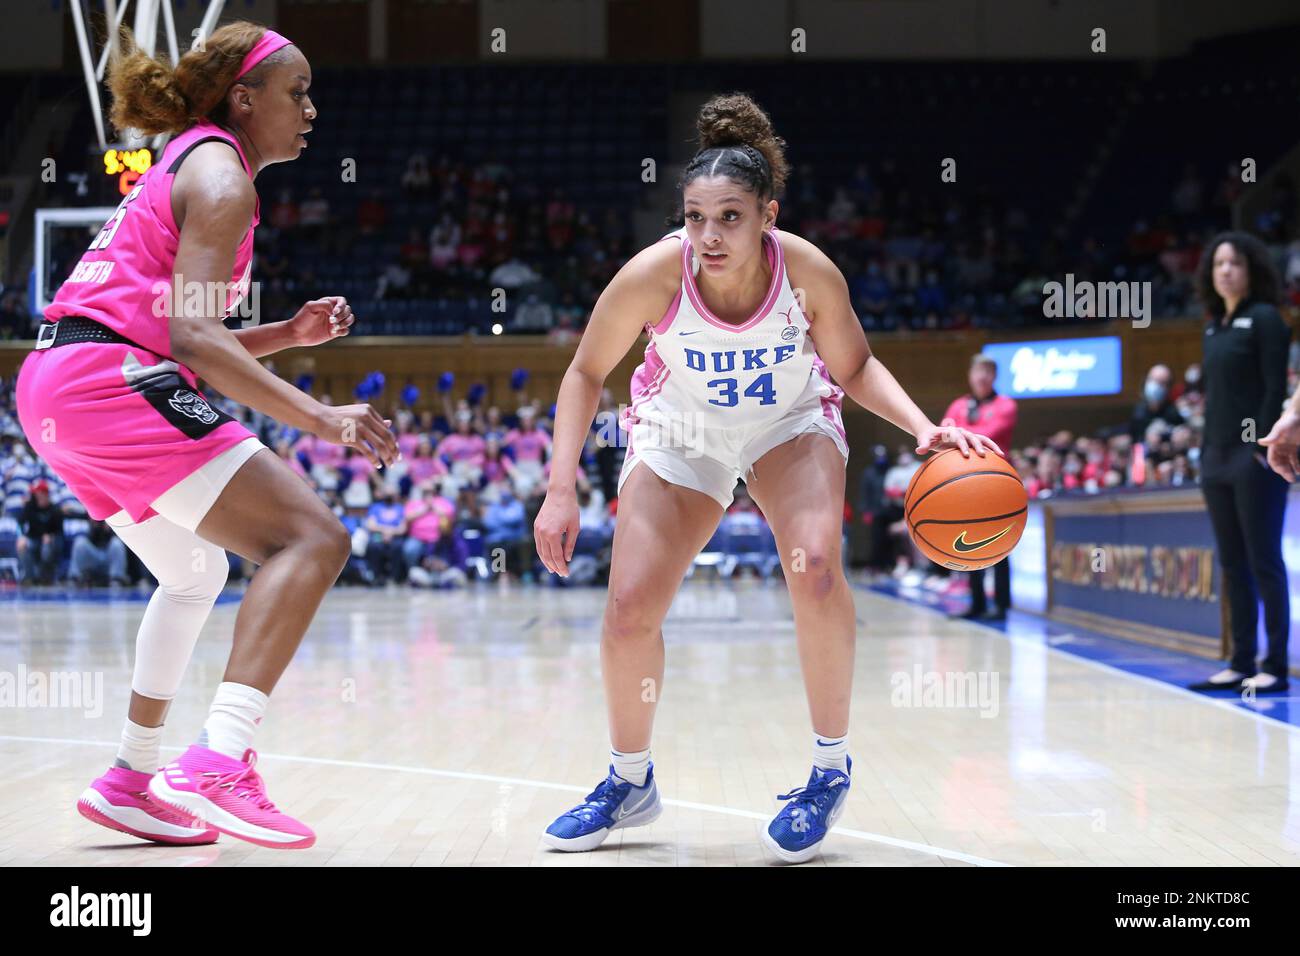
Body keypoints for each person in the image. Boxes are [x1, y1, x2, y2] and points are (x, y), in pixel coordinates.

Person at [532, 94, 996, 863]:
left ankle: (827, 769)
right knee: (627, 608)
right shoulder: (654, 274)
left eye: (730, 217)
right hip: (681, 430)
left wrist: (924, 428)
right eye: (695, 217)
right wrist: (559, 487)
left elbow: (854, 367)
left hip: (790, 422)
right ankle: (628, 779)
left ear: (767, 215)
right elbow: (584, 372)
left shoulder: (807, 272)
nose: (709, 236)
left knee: (814, 570)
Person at [15, 22, 398, 849]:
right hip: (106, 383)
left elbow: (173, 333)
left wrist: (284, 333)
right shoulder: (222, 177)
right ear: (244, 97)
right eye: (296, 93)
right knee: (312, 537)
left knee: (193, 572)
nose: (311, 109)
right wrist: (321, 415)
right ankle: (219, 759)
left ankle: (129, 776)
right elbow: (189, 341)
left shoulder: (189, 159)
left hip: (57, 386)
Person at [1186, 232, 1291, 694]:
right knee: (1232, 563)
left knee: (1263, 559)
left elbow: (1273, 388)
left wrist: (1262, 447)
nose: (1226, 270)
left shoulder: (1266, 319)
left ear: (1251, 270)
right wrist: (1207, 451)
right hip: (1216, 456)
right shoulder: (1213, 327)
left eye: (1235, 263)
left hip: (1255, 456)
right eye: (1219, 264)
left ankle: (1276, 666)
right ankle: (1240, 659)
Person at [941, 355, 1018, 621]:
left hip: (996, 482)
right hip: (966, 483)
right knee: (970, 541)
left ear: (994, 376)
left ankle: (1001, 604)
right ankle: (976, 603)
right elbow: (945, 433)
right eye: (978, 371)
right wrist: (960, 432)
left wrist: (962, 430)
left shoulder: (1006, 405)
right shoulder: (959, 404)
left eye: (988, 372)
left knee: (1000, 543)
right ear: (970, 375)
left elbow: (988, 435)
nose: (982, 377)